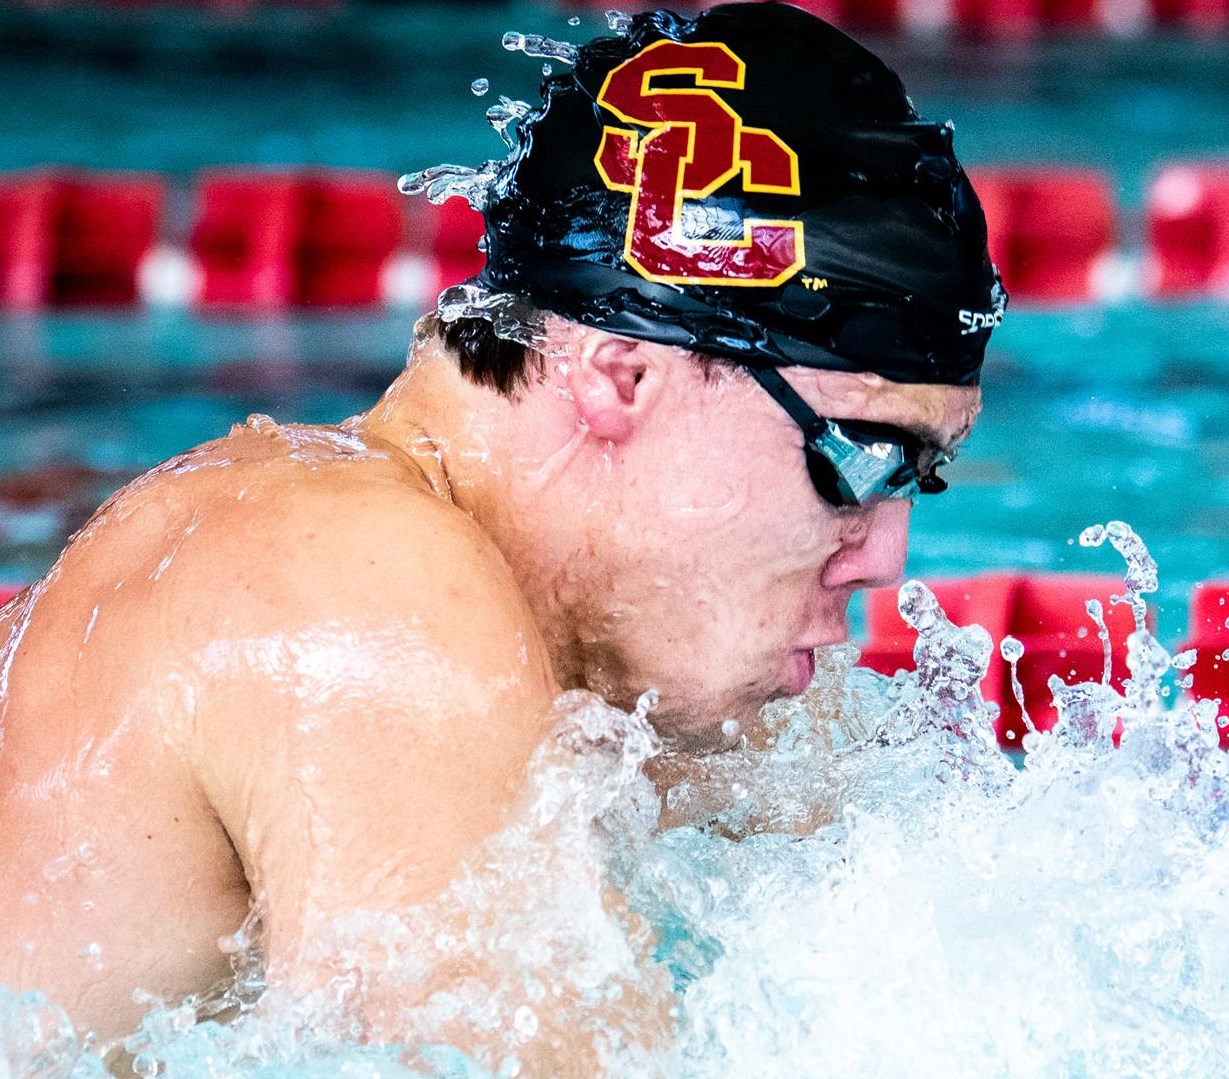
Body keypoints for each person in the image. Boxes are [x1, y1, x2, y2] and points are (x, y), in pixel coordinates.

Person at [0, 3, 995, 1067]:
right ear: (622, 375)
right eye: (859, 458)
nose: (885, 556)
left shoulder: (657, 669)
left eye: (921, 475)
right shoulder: (356, 589)